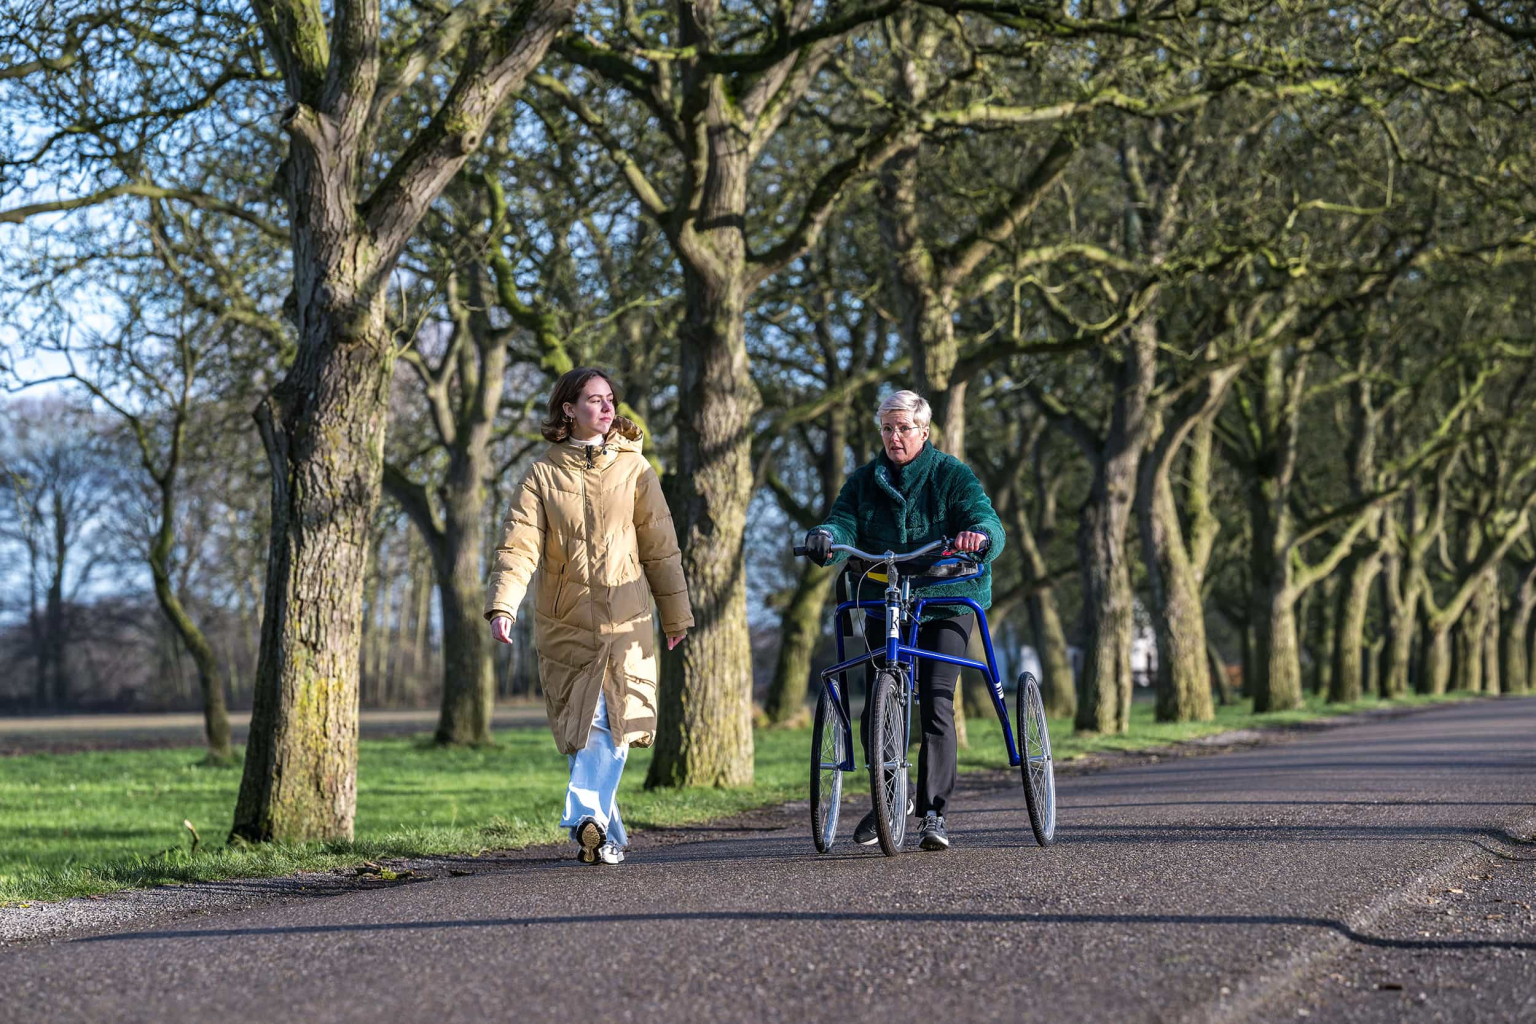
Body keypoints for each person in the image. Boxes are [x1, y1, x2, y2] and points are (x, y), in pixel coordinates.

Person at [486, 368, 693, 865]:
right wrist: (503, 604)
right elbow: (519, 546)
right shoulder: (542, 474)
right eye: (594, 400)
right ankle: (608, 838)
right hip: (565, 622)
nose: (606, 408)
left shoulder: (636, 470)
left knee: (614, 720)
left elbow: (661, 549)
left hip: (628, 617)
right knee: (589, 725)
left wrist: (675, 615)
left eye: (610, 400)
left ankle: (584, 818)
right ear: (568, 409)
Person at [803, 389, 1004, 851]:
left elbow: (986, 519)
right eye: (888, 428)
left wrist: (978, 536)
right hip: (886, 594)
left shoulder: (951, 474)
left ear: (924, 431)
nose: (895, 436)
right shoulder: (862, 482)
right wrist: (826, 536)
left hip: (947, 596)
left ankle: (934, 812)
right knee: (879, 696)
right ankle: (890, 796)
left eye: (904, 428)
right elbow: (844, 522)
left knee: (936, 699)